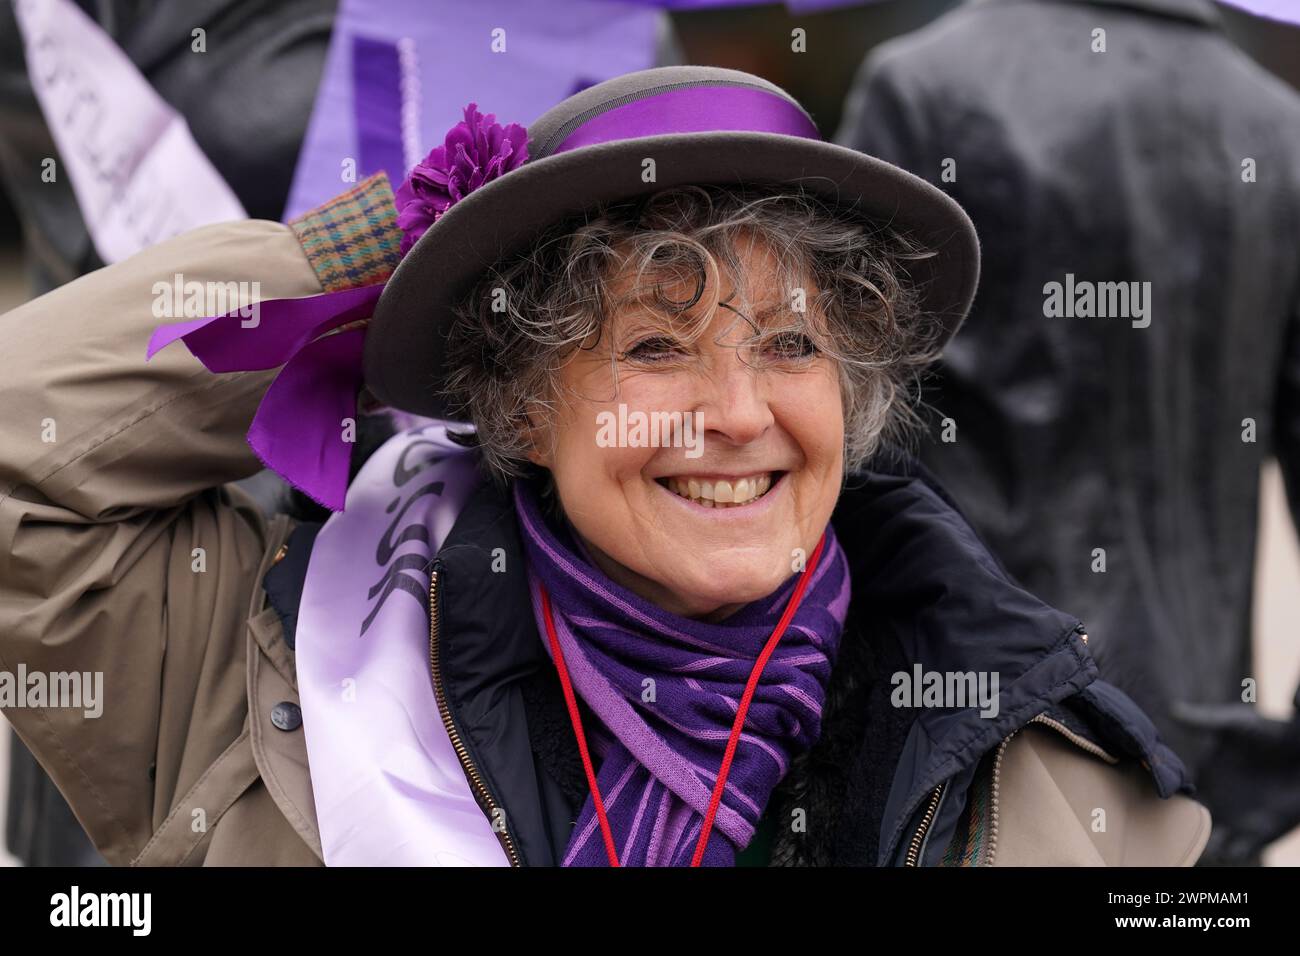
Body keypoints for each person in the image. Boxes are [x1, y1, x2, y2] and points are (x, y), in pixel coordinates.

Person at [0, 65, 1210, 866]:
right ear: (523, 405)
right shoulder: (264, 668)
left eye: (790, 342)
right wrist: (382, 253)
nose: (737, 413)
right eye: (653, 346)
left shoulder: (1047, 766)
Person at [836, 0, 1300, 863]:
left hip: (972, 741)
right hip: (1193, 760)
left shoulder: (924, 87)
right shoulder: (1278, 128)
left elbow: (852, 438)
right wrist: (1276, 765)